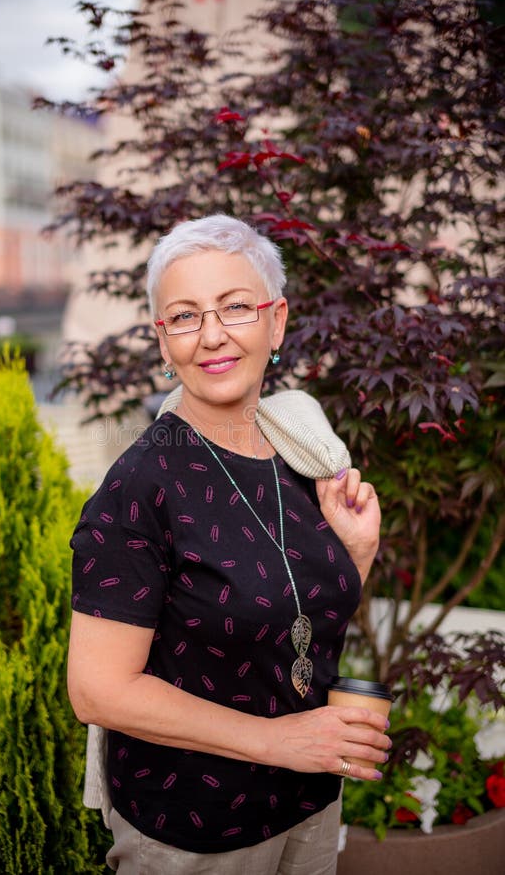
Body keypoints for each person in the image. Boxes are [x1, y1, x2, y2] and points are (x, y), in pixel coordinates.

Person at [68, 214, 387, 874]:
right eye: (185, 316)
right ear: (163, 340)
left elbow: (291, 619)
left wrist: (355, 553)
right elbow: (98, 691)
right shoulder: (139, 487)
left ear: (277, 321)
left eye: (236, 306)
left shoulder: (301, 450)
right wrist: (278, 741)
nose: (211, 334)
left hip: (310, 799)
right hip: (194, 828)